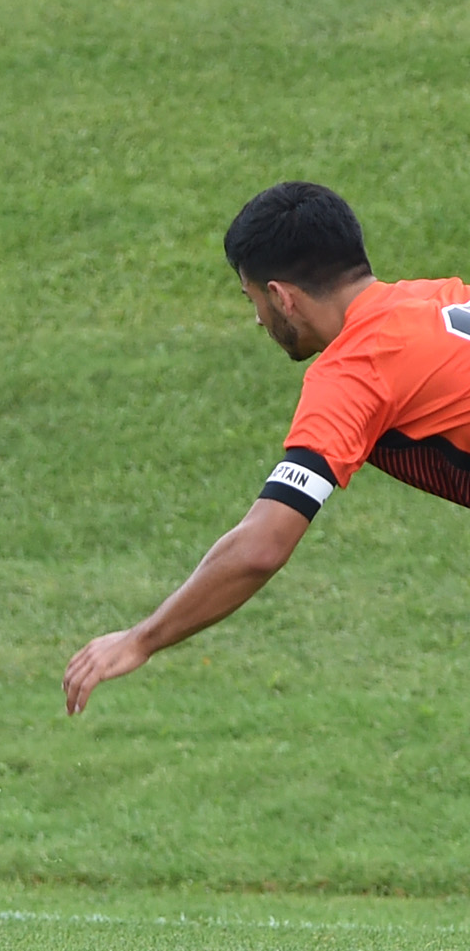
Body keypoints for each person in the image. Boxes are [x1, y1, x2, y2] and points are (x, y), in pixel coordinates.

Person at [65, 182, 470, 714]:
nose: (258, 317)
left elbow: (261, 546)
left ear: (281, 296)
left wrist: (141, 638)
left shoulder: (355, 371)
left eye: (251, 298)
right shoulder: (442, 296)